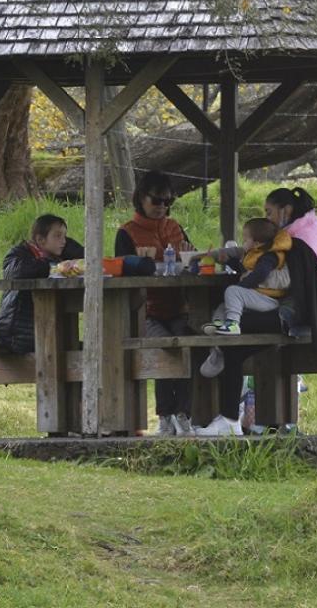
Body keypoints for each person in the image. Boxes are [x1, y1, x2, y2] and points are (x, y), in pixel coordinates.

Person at [195, 187, 317, 438]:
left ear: (286, 211)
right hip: (289, 312)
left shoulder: (299, 241)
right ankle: (229, 420)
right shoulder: (303, 231)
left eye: (269, 212)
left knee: (228, 334)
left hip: (292, 317)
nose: (268, 219)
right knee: (232, 345)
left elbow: (280, 280)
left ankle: (229, 420)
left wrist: (243, 275)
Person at [114, 170, 194, 436]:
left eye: (167, 201)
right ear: (141, 198)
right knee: (163, 348)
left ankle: (183, 414)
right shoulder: (127, 232)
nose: (162, 207)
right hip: (145, 310)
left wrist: (190, 259)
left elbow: (190, 261)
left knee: (185, 343)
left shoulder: (175, 228)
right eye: (156, 201)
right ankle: (165, 416)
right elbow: (121, 269)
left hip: (179, 307)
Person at [197, 217, 292, 377]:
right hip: (257, 297)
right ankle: (218, 338)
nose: (243, 242)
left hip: (268, 301)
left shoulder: (269, 256)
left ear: (256, 243)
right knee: (223, 306)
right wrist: (229, 261)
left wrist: (241, 287)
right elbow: (245, 268)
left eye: (245, 238)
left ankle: (233, 324)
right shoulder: (255, 253)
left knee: (232, 292)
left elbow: (260, 274)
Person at [0, 214, 83, 354]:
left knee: (78, 347)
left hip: (48, 332)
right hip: (15, 335)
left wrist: (70, 252)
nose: (63, 241)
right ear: (40, 239)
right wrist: (52, 267)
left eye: (65, 236)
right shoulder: (19, 254)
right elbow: (15, 272)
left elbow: (88, 257)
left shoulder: (58, 255)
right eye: (57, 236)